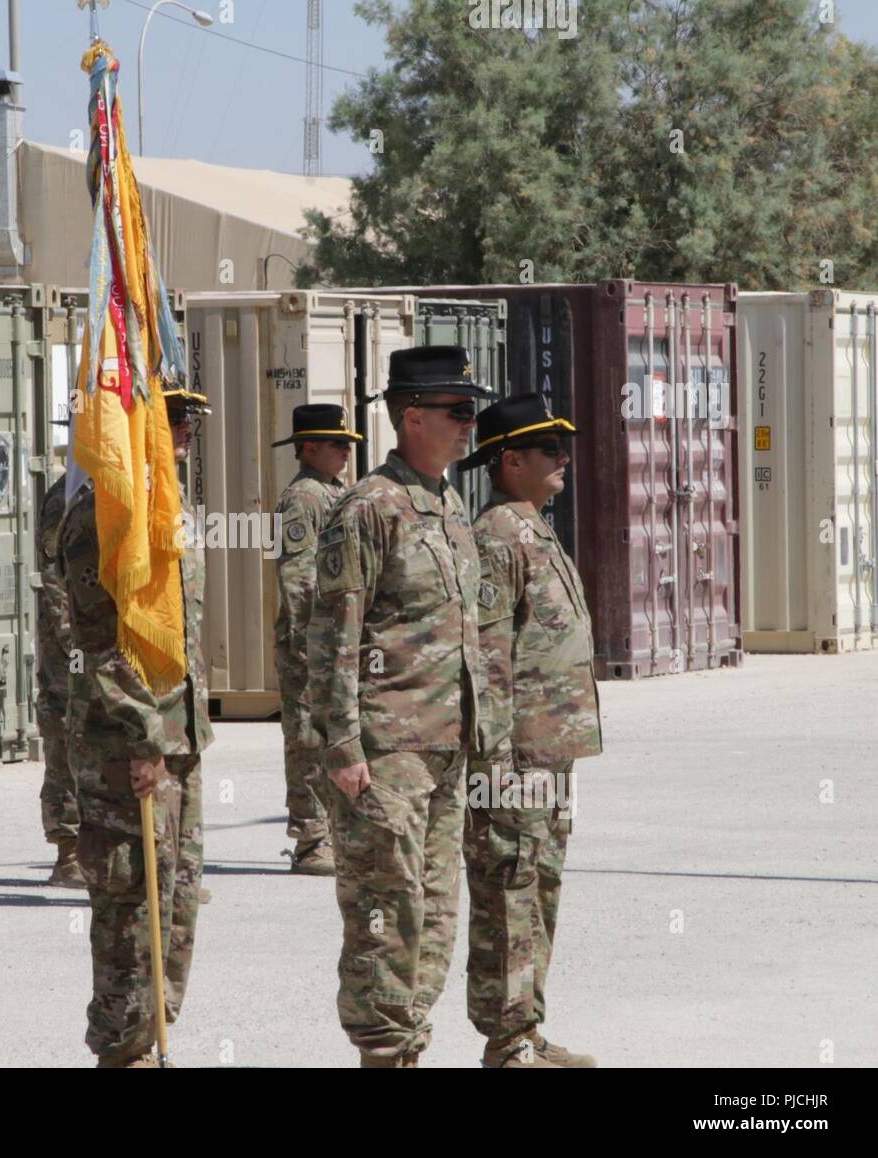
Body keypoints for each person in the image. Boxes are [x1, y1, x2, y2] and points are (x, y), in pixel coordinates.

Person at [309, 347, 494, 1067]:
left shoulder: (448, 504)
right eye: (459, 411)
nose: (470, 423)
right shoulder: (368, 508)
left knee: (436, 913)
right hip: (386, 750)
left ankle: (410, 1045)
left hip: (446, 744)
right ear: (413, 416)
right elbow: (334, 635)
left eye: (472, 410)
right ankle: (385, 1053)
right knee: (386, 913)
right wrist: (342, 746)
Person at [60, 387, 214, 1068]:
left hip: (180, 738)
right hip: (127, 745)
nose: (184, 430)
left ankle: (152, 1038)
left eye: (188, 420)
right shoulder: (103, 515)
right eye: (171, 418)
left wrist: (181, 733)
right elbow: (101, 647)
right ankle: (122, 1051)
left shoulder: (167, 506)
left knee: (175, 903)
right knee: (129, 905)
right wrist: (142, 736)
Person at [457, 393, 602, 1069]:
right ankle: (506, 1040)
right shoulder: (497, 537)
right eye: (549, 449)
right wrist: (494, 762)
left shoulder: (534, 528)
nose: (563, 458)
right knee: (509, 894)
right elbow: (485, 657)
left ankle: (528, 1029)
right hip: (512, 758)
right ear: (509, 461)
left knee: (538, 888)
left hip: (548, 752)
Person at [270, 403, 360, 876]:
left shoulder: (333, 491)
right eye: (337, 444)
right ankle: (310, 841)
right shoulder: (304, 498)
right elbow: (299, 576)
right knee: (307, 738)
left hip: (333, 640)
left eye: (348, 443)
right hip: (311, 640)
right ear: (308, 448)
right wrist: (314, 641)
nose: (347, 451)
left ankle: (332, 833)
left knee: (332, 734)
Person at [36, 425, 84, 887]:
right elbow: (54, 582)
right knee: (67, 742)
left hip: (104, 648)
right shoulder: (66, 497)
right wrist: (78, 648)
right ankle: (69, 852)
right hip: (73, 655)